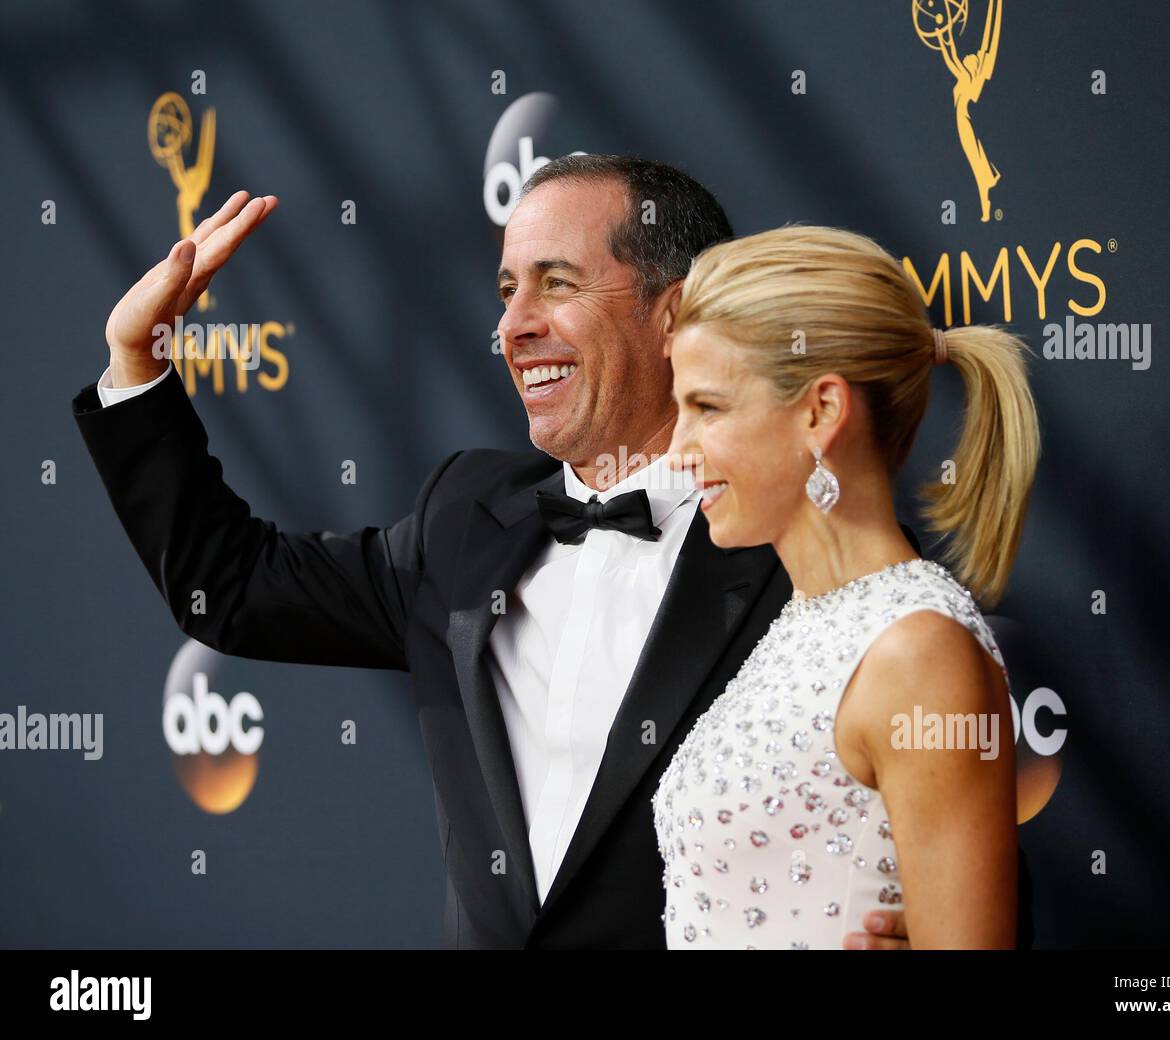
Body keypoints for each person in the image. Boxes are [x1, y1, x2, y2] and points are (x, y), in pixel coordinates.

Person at [73, 154, 1033, 948]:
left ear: (674, 312)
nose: (512, 323)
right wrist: (137, 365)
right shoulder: (464, 520)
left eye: (557, 283)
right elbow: (228, 588)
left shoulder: (804, 560)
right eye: (505, 289)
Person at [653, 224, 1040, 947]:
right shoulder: (805, 618)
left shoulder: (918, 654)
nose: (676, 452)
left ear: (822, 412)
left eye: (707, 408)